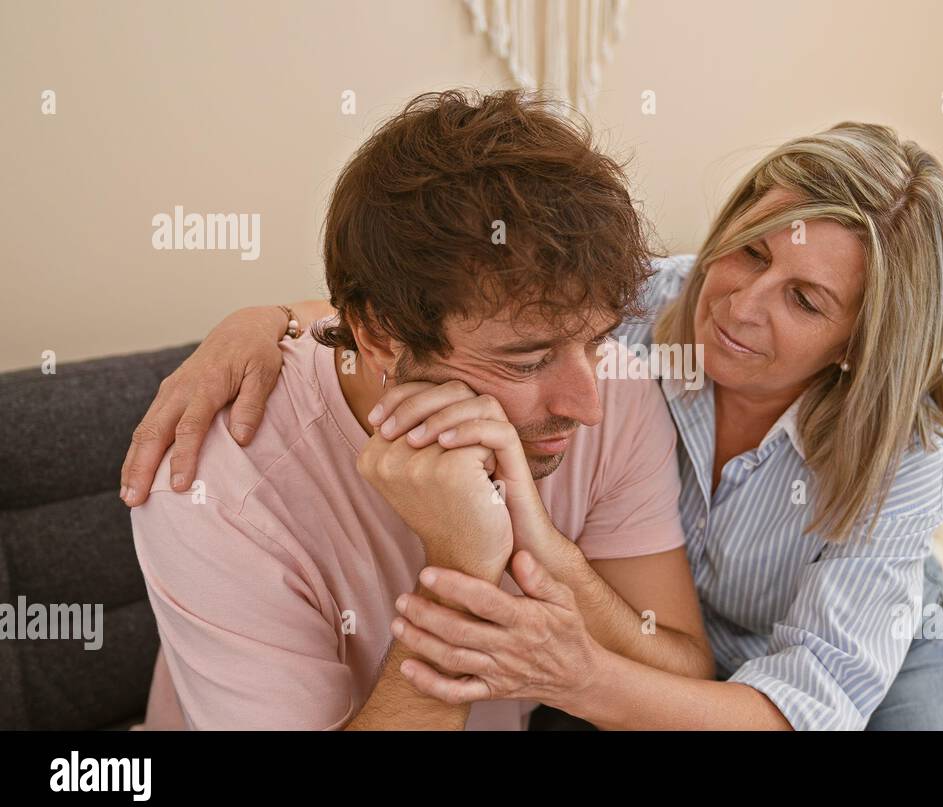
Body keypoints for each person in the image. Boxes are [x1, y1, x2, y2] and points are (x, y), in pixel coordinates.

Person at [125, 97, 943, 730]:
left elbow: (794, 705)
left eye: (807, 302)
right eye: (744, 251)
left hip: (816, 657)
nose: (740, 306)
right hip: (643, 644)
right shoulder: (639, 311)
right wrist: (266, 323)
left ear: (864, 341)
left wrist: (570, 647)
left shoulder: (894, 450)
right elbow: (437, 303)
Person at [127, 88, 714, 730]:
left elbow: (683, 673)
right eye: (525, 361)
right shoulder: (213, 481)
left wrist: (551, 554)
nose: (588, 405)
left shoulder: (615, 388)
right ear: (380, 336)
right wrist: (462, 566)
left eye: (597, 340)